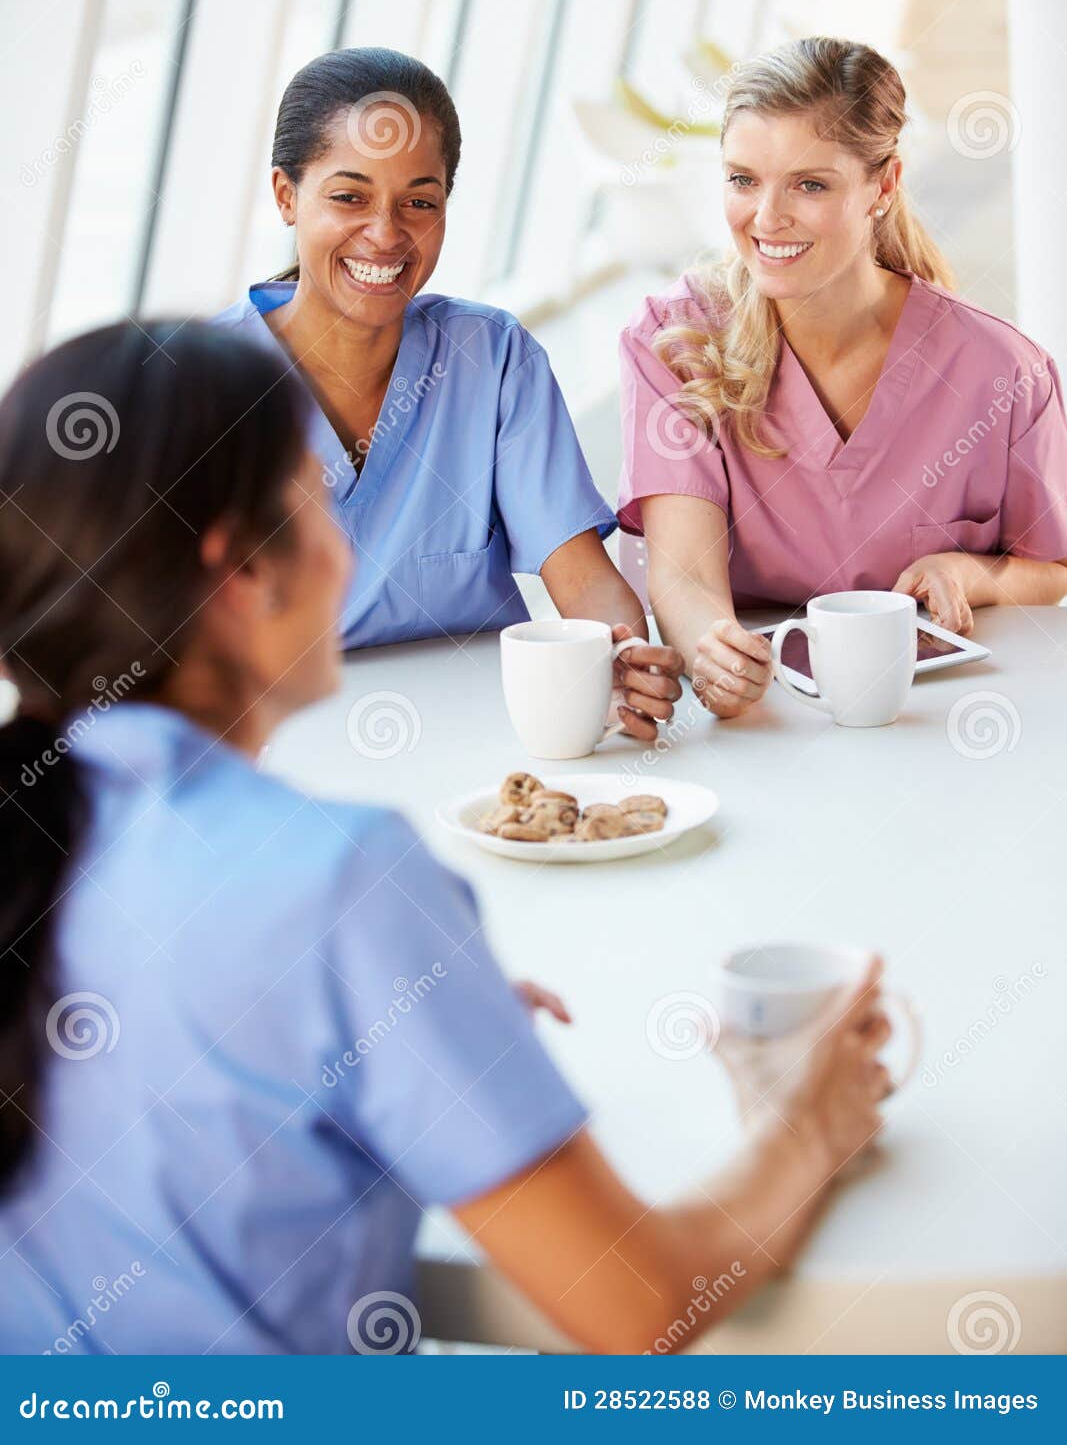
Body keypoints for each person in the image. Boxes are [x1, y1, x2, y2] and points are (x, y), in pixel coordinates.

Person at [0, 320, 891, 1355]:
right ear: (239, 570)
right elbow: (638, 1304)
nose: (344, 547)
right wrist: (808, 1128)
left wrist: (357, 1027)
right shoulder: (338, 882)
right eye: (313, 500)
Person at [214, 46, 681, 743]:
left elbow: (580, 576)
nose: (385, 233)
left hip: (481, 738)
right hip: (278, 742)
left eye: (419, 202)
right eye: (349, 196)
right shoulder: (202, 384)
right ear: (287, 196)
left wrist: (616, 654)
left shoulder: (491, 358)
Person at [619, 37, 1067, 719]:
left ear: (882, 185)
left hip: (940, 712)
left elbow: (1049, 569)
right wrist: (711, 649)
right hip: (763, 712)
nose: (766, 218)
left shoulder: (1002, 372)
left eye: (809, 184)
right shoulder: (674, 340)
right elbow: (682, 571)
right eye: (742, 179)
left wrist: (968, 573)